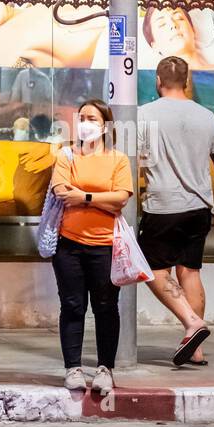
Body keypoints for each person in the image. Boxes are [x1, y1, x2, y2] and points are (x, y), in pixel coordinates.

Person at [138, 55, 214, 366]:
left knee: (152, 269)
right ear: (188, 81)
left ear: (157, 81)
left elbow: (132, 162)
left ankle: (193, 323)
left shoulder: (143, 115)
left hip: (163, 206)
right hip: (199, 208)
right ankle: (196, 349)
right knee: (189, 271)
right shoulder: (207, 117)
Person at [49, 99, 133, 394]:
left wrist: (84, 197)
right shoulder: (66, 156)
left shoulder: (118, 159)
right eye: (82, 117)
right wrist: (102, 198)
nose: (85, 123)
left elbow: (121, 198)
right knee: (72, 306)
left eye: (92, 118)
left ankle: (104, 368)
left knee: (106, 307)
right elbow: (61, 191)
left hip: (106, 246)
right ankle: (72, 367)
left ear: (106, 125)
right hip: (68, 244)